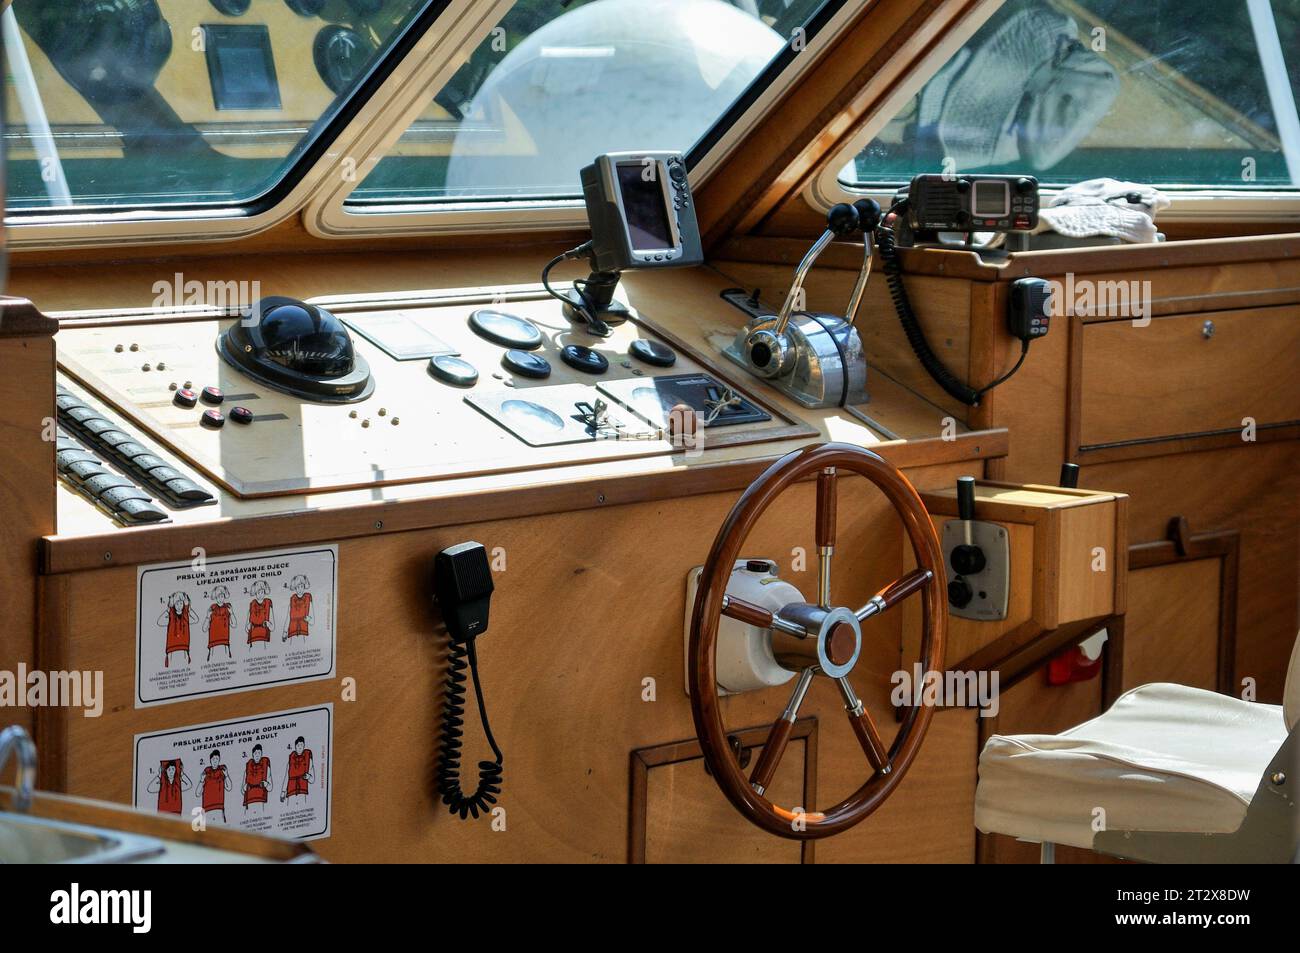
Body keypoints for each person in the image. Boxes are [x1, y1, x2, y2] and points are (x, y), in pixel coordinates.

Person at [157, 591, 196, 667]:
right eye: (177, 604)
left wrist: (189, 608)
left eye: (181, 603)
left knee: (185, 665)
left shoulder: (185, 615)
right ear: (173, 604)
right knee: (171, 665)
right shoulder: (171, 615)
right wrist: (168, 610)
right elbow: (160, 622)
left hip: (184, 647)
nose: (179, 606)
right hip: (172, 648)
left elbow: (195, 619)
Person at [200, 749, 232, 822]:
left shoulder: (222, 770)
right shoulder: (206, 771)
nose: (215, 761)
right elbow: (198, 793)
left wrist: (226, 775)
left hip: (219, 808)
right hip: (207, 809)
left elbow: (229, 788)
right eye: (213, 759)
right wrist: (201, 780)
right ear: (210, 760)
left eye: (217, 759)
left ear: (219, 760)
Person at [206, 586, 235, 662]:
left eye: (222, 596)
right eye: (218, 596)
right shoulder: (212, 608)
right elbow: (204, 628)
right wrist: (207, 616)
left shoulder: (228, 607)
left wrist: (232, 613)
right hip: (213, 645)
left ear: (224, 596)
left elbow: (234, 624)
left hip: (225, 644)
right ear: (215, 597)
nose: (220, 598)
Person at [281, 736, 314, 803]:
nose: (300, 747)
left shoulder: (308, 758)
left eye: (301, 745)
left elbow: (312, 780)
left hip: (302, 792)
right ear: (295, 746)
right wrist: (283, 791)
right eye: (298, 745)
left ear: (304, 746)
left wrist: (308, 777)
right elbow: (286, 777)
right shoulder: (291, 758)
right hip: (291, 792)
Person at [242, 744, 273, 814]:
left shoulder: (266, 767)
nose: (257, 755)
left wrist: (266, 784)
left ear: (261, 754)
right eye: (255, 753)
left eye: (259, 753)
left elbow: (270, 788)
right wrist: (245, 787)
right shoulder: (248, 767)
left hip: (261, 802)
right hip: (249, 802)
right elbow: (242, 789)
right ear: (252, 754)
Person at [284, 574, 314, 644]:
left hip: (304, 633)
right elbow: (288, 618)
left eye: (301, 586)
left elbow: (313, 621)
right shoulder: (292, 599)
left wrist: (309, 619)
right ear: (295, 588)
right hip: (292, 632)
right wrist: (284, 632)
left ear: (304, 586)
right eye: (297, 587)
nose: (300, 589)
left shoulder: (308, 598)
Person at [246, 580, 274, 650]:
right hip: (253, 639)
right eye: (258, 592)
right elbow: (246, 628)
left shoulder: (268, 603)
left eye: (262, 592)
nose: (260, 594)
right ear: (255, 593)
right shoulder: (251, 605)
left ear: (265, 592)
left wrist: (269, 624)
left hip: (265, 640)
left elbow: (273, 627)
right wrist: (248, 626)